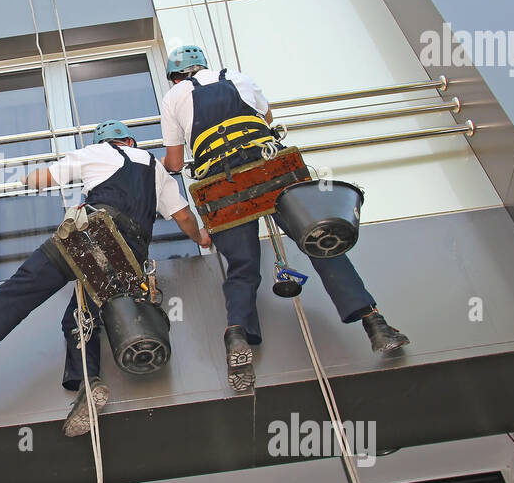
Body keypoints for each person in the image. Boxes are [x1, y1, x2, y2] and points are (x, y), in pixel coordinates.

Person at [0, 119, 211, 437]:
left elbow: (42, 179)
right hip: (128, 261)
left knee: (22, 288)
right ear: (130, 141)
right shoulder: (156, 170)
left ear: (105, 141)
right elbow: (183, 216)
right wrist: (202, 238)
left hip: (92, 236)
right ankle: (88, 384)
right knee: (80, 319)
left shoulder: (95, 152)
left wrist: (25, 178)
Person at [158, 45, 409, 393]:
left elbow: (173, 161)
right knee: (318, 240)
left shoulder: (173, 98)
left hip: (224, 185)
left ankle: (237, 336)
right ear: (204, 65)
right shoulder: (236, 76)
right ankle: (375, 322)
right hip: (271, 168)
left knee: (242, 266)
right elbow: (267, 118)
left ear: (174, 76)